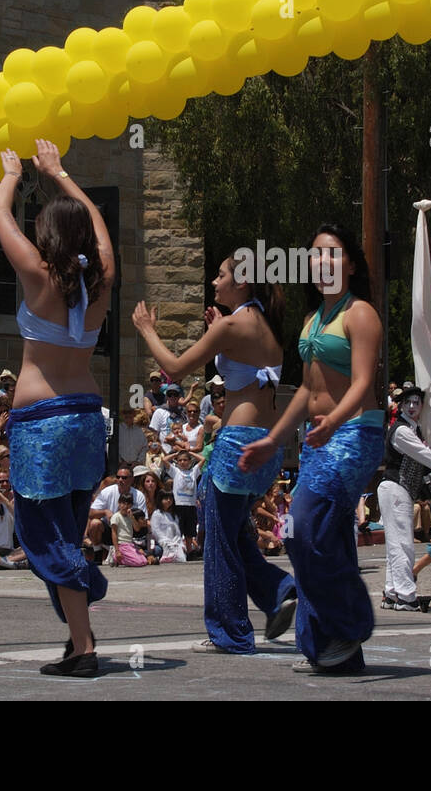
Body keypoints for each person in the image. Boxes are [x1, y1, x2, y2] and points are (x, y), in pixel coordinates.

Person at [0, 139, 114, 677]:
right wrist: (60, 174)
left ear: (49, 236)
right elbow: (100, 223)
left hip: (44, 425)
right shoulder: (102, 279)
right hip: (87, 417)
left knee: (48, 535)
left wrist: (14, 173)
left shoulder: (38, 278)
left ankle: (83, 644)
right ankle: (77, 626)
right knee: (64, 529)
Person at [134, 251, 296, 656]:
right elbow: (242, 364)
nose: (214, 282)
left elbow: (173, 368)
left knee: (219, 538)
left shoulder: (232, 324)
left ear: (241, 281)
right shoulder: (264, 321)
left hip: (239, 443)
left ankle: (231, 632)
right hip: (268, 443)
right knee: (233, 530)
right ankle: (279, 591)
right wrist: (218, 335)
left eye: (220, 276)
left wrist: (147, 330)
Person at [242, 224, 383, 673]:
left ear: (352, 264)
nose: (323, 262)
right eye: (316, 255)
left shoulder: (360, 314)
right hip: (321, 436)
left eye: (334, 254)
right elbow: (305, 390)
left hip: (356, 432)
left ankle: (349, 623)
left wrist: (333, 422)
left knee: (302, 526)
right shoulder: (312, 320)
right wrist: (272, 438)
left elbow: (363, 383)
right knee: (328, 534)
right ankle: (333, 650)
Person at [379, 386, 431, 611]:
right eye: (408, 403)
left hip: (398, 489)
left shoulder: (413, 430)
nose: (412, 407)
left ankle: (392, 593)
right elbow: (427, 457)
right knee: (402, 543)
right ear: (401, 405)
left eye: (416, 403)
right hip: (395, 487)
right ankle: (405, 595)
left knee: (396, 543)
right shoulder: (402, 431)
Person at [151, 490, 186, 563]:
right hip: (162, 542)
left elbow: (177, 532)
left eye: (170, 499)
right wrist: (166, 541)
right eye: (166, 499)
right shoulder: (157, 514)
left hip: (174, 542)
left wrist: (178, 542)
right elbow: (156, 531)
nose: (168, 500)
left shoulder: (174, 515)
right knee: (158, 551)